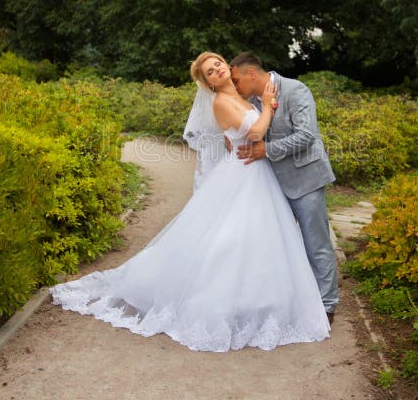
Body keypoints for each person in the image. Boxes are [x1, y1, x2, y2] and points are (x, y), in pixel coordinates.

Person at [50, 51, 330, 352]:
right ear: (207, 83)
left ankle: (267, 300)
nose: (218, 71)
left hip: (263, 173)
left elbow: (252, 135)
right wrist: (270, 108)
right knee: (231, 240)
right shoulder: (222, 102)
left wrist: (259, 114)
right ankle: (221, 301)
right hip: (246, 171)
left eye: (219, 65)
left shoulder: (247, 94)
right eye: (211, 71)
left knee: (265, 240)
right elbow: (255, 132)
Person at [229, 52, 338, 324]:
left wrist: (267, 150)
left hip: (306, 180)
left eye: (237, 79)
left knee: (316, 245)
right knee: (281, 246)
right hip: (273, 186)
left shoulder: (295, 89)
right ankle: (294, 300)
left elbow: (306, 136)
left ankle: (327, 305)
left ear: (251, 74)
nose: (235, 86)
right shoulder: (252, 101)